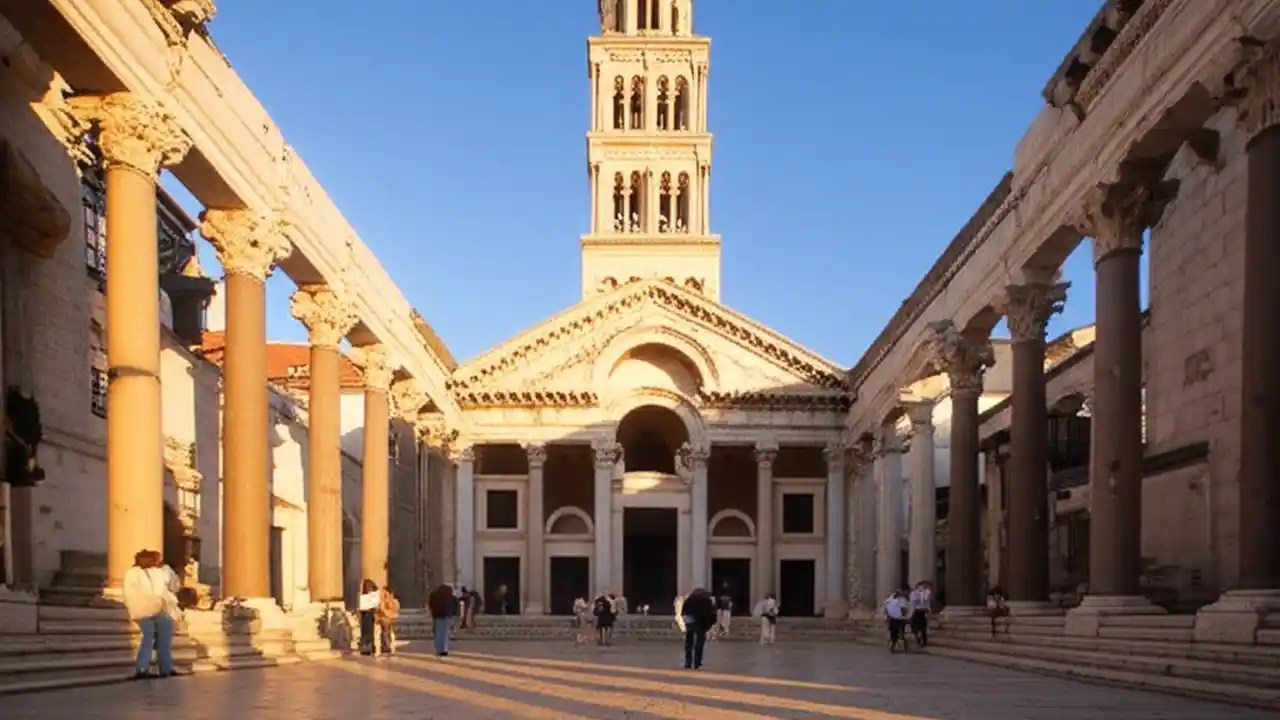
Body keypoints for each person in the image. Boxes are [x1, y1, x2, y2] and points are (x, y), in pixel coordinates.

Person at [123, 549, 180, 679]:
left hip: (162, 609)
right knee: (148, 638)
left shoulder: (161, 572)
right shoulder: (133, 573)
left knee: (165, 640)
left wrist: (168, 570)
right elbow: (131, 593)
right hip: (144, 609)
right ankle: (142, 669)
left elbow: (174, 585)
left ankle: (166, 668)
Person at [680, 587, 716, 669]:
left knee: (689, 643)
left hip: (690, 622)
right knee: (699, 643)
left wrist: (685, 621)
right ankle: (697, 662)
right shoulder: (707, 601)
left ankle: (688, 662)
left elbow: (683, 611)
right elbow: (712, 612)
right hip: (701, 623)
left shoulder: (689, 599)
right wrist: (710, 623)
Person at [427, 583, 456, 656]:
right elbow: (454, 605)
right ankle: (444, 649)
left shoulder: (433, 595)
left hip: (436, 615)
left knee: (438, 633)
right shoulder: (450, 596)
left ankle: (438, 649)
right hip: (446, 615)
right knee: (445, 633)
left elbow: (430, 604)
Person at [376, 585, 401, 657]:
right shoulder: (387, 600)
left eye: (383, 591)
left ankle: (385, 648)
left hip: (387, 618)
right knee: (387, 633)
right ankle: (388, 647)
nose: (382, 592)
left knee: (385, 633)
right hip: (386, 618)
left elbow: (384, 609)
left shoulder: (390, 600)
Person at [357, 579, 379, 656]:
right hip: (364, 613)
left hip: (370, 613)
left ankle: (370, 647)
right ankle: (365, 648)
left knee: (369, 631)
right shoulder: (362, 595)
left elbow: (376, 604)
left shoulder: (374, 595)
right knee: (365, 631)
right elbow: (360, 605)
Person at [909, 581, 932, 647]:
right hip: (917, 610)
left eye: (923, 586)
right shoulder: (914, 593)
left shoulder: (926, 592)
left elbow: (926, 599)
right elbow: (912, 602)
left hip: (924, 611)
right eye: (920, 586)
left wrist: (922, 592)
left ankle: (924, 641)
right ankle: (918, 637)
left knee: (923, 627)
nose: (921, 587)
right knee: (914, 626)